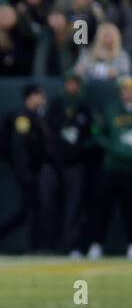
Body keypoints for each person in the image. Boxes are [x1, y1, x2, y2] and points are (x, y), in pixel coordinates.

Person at [0, 84, 60, 253]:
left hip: (35, 171)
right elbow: (19, 146)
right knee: (29, 211)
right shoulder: (23, 118)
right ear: (30, 97)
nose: (42, 99)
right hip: (26, 172)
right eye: (39, 95)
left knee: (32, 210)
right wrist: (24, 173)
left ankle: (33, 245)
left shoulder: (36, 116)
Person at [47, 71, 99, 258]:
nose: (72, 87)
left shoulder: (84, 107)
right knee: (51, 202)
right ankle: (51, 243)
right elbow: (48, 134)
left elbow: (93, 134)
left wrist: (81, 149)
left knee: (74, 206)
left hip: (76, 164)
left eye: (75, 84)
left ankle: (72, 245)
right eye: (69, 83)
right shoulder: (56, 105)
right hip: (54, 164)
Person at [88, 74, 132, 260]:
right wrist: (114, 147)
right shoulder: (111, 110)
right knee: (103, 208)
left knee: (130, 209)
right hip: (112, 167)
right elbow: (97, 132)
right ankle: (96, 244)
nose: (127, 92)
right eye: (124, 89)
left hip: (130, 170)